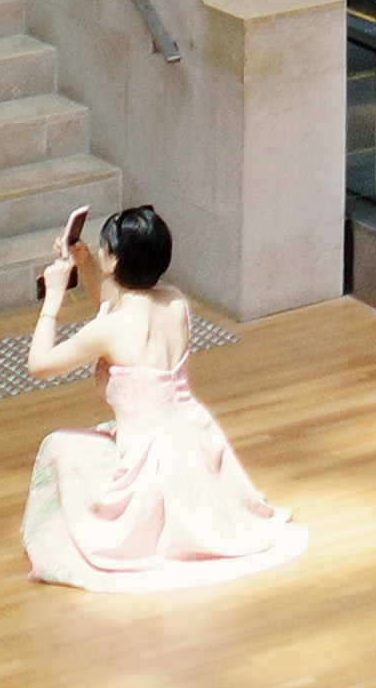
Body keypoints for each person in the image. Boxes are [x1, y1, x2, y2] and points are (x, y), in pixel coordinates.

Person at [19, 199, 307, 587]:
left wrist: (53, 296)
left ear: (116, 262)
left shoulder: (114, 328)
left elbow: (39, 364)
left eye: (104, 249)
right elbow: (112, 305)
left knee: (58, 447)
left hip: (147, 460)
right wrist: (85, 261)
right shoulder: (174, 301)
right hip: (196, 441)